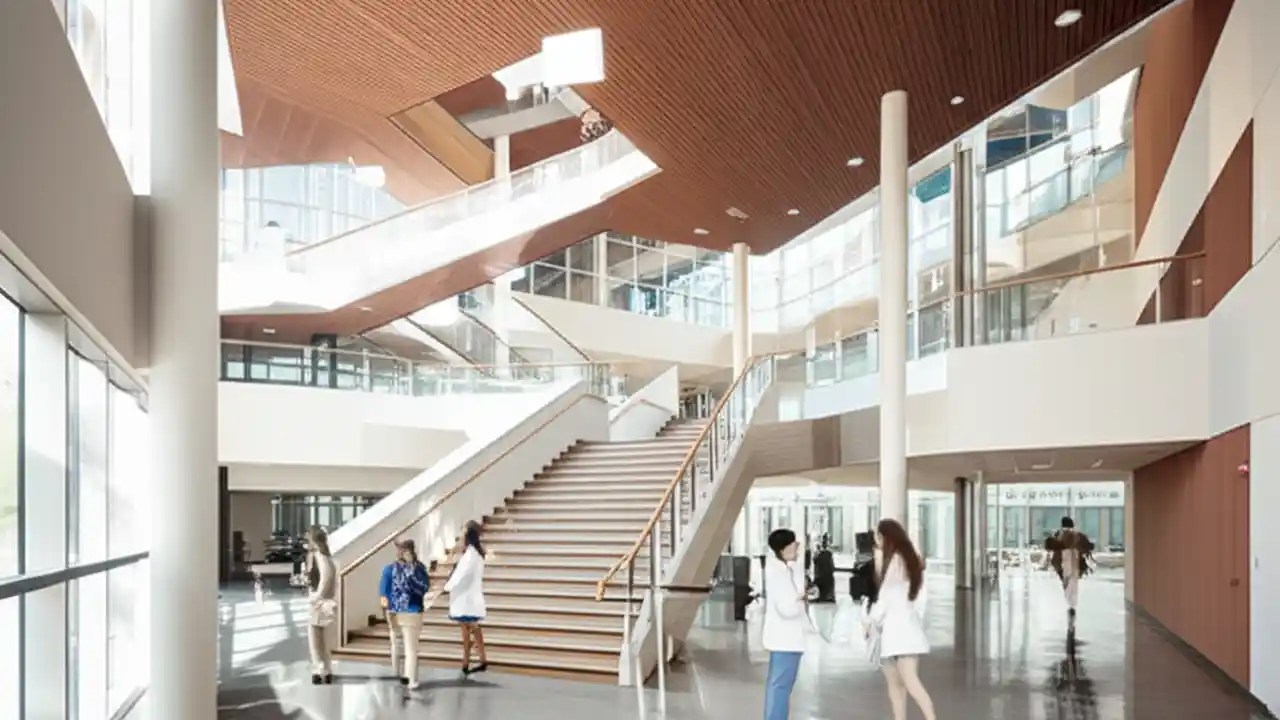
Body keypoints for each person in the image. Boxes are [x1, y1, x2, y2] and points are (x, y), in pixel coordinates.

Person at [866, 519, 936, 720]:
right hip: (908, 629)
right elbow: (921, 600)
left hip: (894, 632)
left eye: (878, 537)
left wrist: (870, 621)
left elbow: (885, 598)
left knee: (902, 684)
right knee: (903, 683)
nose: (876, 542)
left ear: (886, 537)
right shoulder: (913, 561)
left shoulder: (895, 561)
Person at [762, 528, 807, 720]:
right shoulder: (777, 573)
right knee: (780, 686)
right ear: (783, 548)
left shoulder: (785, 568)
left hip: (788, 639)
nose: (797, 546)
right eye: (793, 543)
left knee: (781, 685)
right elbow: (787, 608)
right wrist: (800, 600)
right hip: (785, 638)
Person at [378, 538, 429, 689]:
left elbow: (384, 596)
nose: (398, 552)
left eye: (400, 549)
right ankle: (410, 679)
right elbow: (424, 588)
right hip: (412, 612)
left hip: (395, 612)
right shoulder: (419, 569)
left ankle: (397, 674)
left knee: (396, 644)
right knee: (410, 649)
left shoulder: (389, 569)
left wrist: (386, 612)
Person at [445, 520, 488, 675]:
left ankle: (467, 660)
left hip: (465, 599)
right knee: (473, 628)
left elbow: (459, 575)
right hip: (470, 597)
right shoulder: (477, 554)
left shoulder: (470, 555)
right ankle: (480, 658)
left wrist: (446, 587)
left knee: (467, 628)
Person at [1045, 516, 1094, 624]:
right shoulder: (1078, 535)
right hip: (1074, 560)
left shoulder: (1058, 534)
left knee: (1066, 580)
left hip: (1061, 561)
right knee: (1073, 581)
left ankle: (1070, 600)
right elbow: (1088, 546)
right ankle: (1072, 603)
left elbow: (1050, 547)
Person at [306, 526, 338, 685]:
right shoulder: (329, 558)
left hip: (321, 602)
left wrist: (316, 595)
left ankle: (319, 669)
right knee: (324, 639)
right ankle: (327, 669)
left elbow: (325, 579)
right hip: (329, 601)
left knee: (315, 638)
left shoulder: (320, 557)